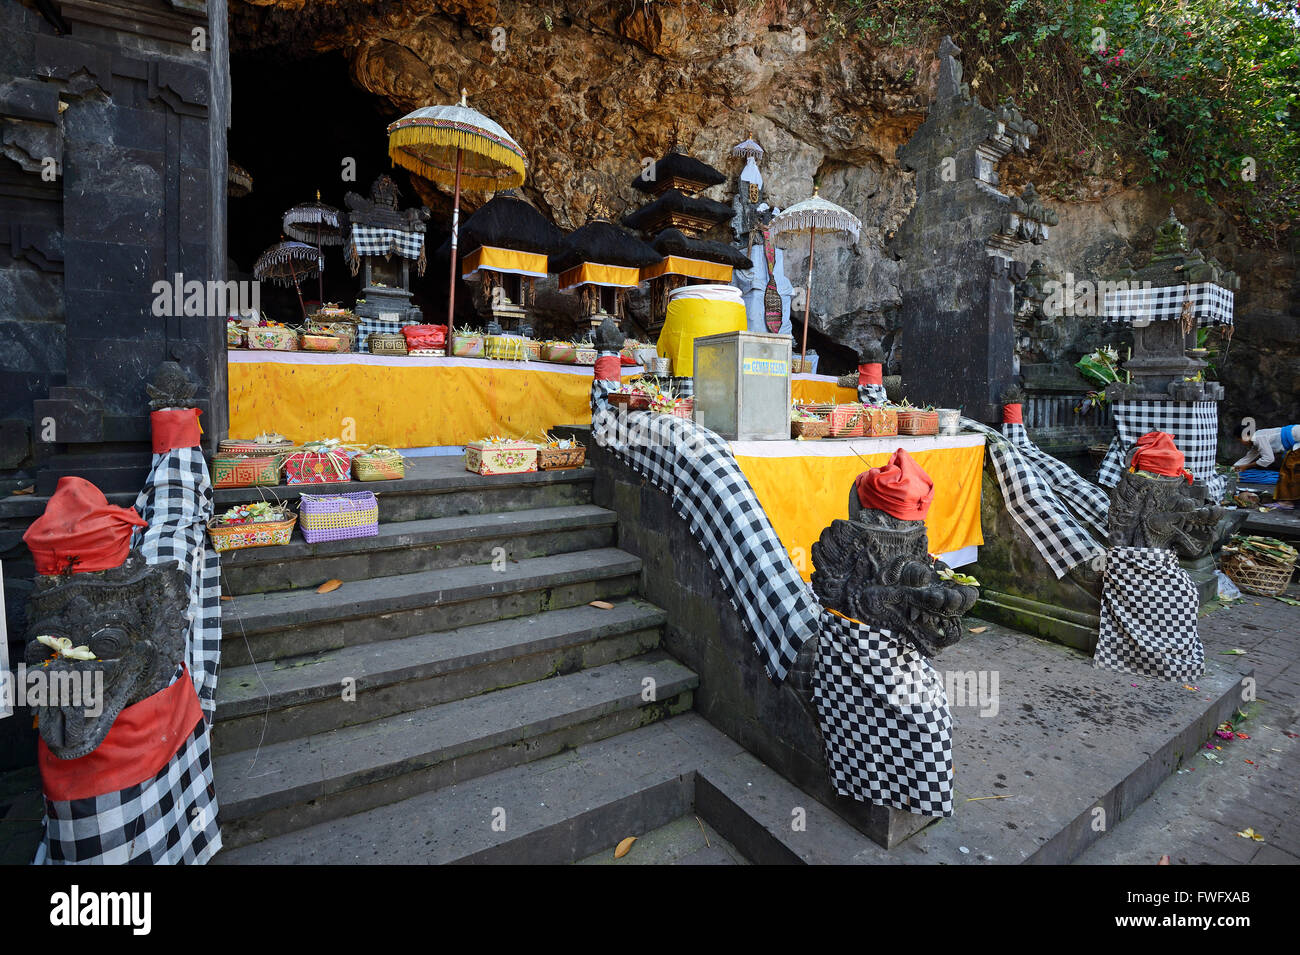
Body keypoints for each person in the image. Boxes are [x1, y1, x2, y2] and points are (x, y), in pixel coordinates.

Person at [1232, 423, 1300, 471]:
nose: (1241, 443)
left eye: (1240, 440)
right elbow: (1248, 458)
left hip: (1296, 433)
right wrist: (1232, 468)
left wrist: (1247, 466)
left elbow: (1269, 459)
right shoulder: (1256, 441)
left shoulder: (1258, 437)